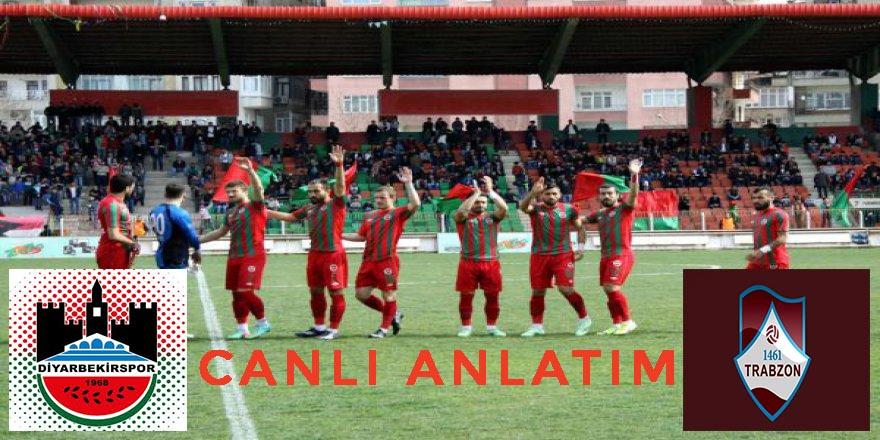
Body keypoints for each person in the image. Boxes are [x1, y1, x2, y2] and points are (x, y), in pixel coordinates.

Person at [270, 145, 348, 340]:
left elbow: (340, 188)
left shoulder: (336, 204)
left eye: (316, 191)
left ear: (327, 190)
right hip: (315, 255)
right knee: (315, 291)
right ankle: (319, 327)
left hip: (332, 253)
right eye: (310, 191)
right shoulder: (309, 208)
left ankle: (333, 329)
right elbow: (290, 217)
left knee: (335, 292)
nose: (312, 194)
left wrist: (339, 165)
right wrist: (265, 211)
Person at [341, 167, 420, 338]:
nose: (378, 200)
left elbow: (415, 204)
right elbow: (360, 236)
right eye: (376, 198)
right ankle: (394, 314)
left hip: (387, 261)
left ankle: (383, 329)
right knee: (361, 295)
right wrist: (339, 235)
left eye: (382, 198)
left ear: (392, 198)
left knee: (388, 295)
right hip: (368, 261)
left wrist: (408, 184)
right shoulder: (370, 215)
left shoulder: (397, 213)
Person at [199, 158, 271, 339]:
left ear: (245, 191)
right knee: (236, 294)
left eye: (234, 191)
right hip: (234, 256)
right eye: (228, 192)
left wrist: (250, 171)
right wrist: (195, 241)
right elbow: (219, 232)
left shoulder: (255, 206)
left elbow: (259, 189)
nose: (230, 194)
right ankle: (242, 328)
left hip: (253, 255)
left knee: (245, 291)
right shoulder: (230, 212)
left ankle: (263, 323)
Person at [518, 177, 591, 337]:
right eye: (547, 194)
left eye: (554, 194)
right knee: (538, 291)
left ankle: (584, 318)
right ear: (542, 195)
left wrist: (580, 248)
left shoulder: (570, 209)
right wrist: (532, 193)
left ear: (559, 195)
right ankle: (537, 326)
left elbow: (580, 228)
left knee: (566, 289)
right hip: (539, 256)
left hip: (563, 255)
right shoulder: (536, 208)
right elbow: (523, 207)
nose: (551, 196)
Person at [582, 159, 642, 335]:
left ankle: (628, 321)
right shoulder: (600, 213)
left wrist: (634, 175)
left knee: (612, 288)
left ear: (617, 195)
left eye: (609, 193)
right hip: (605, 256)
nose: (606, 196)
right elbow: (580, 221)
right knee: (608, 291)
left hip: (621, 254)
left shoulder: (625, 208)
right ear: (599, 197)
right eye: (603, 194)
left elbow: (634, 194)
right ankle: (616, 324)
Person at [452, 176, 509, 337]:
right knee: (466, 296)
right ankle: (466, 327)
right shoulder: (463, 218)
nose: (480, 204)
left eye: (483, 202)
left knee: (492, 296)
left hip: (491, 262)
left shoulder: (492, 217)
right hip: (468, 263)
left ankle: (492, 327)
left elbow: (504, 208)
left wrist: (490, 192)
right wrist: (475, 194)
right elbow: (461, 212)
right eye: (477, 202)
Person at [150, 183, 202, 270]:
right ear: (183, 196)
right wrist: (197, 249)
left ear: (165, 194)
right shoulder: (180, 213)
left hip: (161, 255)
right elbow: (192, 235)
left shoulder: (154, 211)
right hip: (176, 256)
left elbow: (155, 229)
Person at [96, 174, 138, 269]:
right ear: (126, 188)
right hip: (112, 252)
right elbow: (113, 234)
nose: (133, 190)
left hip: (118, 250)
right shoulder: (112, 204)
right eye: (132, 187)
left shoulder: (116, 202)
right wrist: (132, 243)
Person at [746, 187, 790, 269]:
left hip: (776, 262)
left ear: (771, 198)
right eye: (754, 198)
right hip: (757, 261)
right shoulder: (756, 215)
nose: (755, 201)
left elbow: (783, 238)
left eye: (760, 197)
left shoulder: (779, 214)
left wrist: (762, 251)